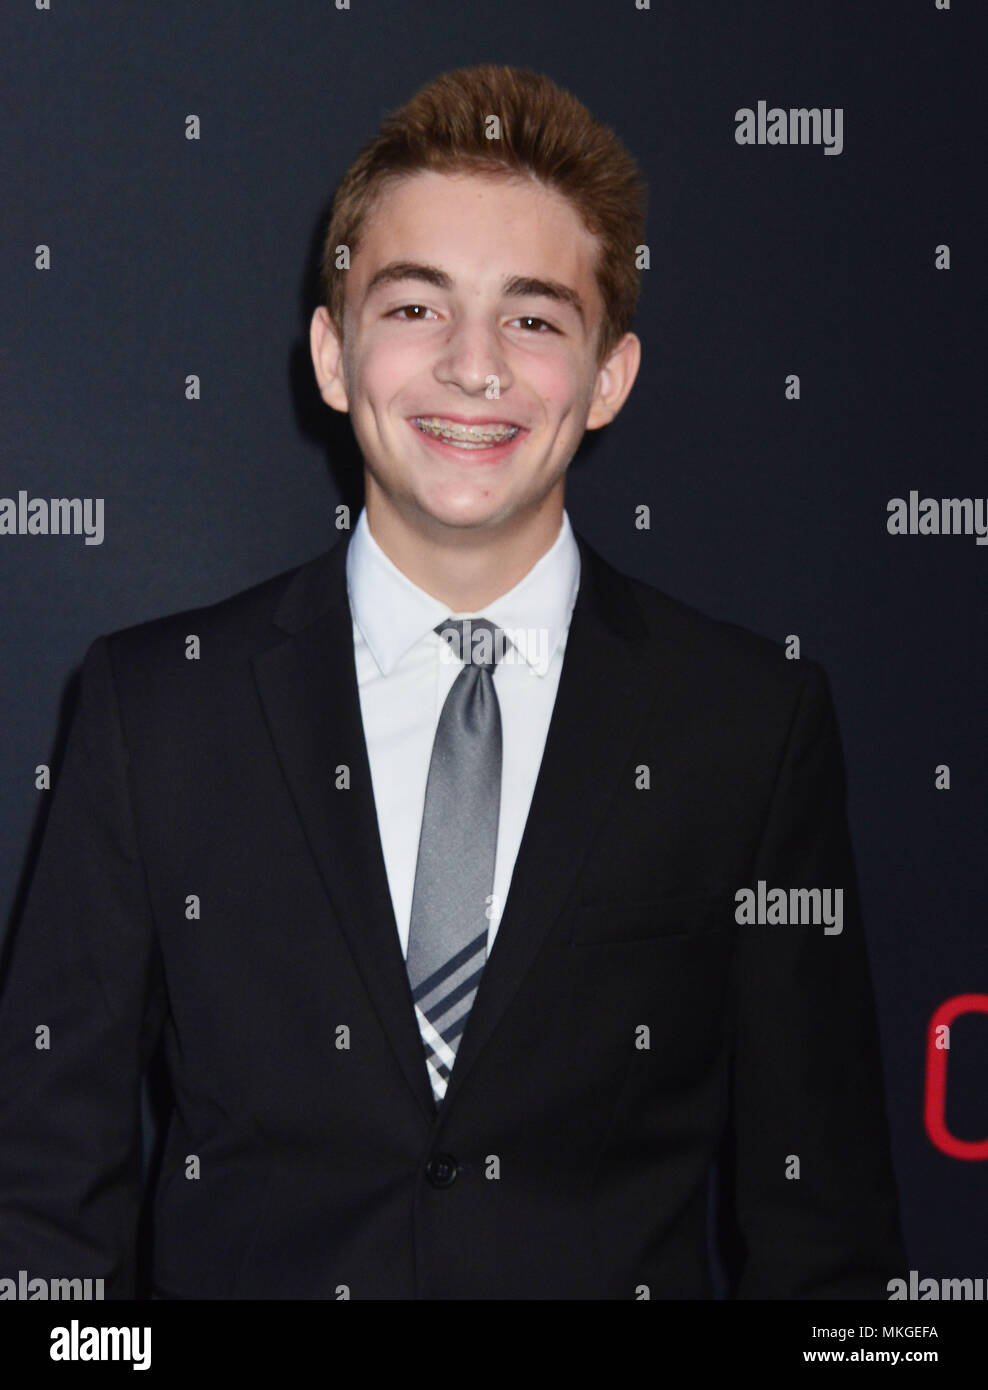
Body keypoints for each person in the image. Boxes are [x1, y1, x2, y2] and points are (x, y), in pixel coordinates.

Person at [0, 63, 905, 1299]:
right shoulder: (156, 706)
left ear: (608, 378)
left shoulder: (747, 724)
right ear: (333, 354)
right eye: (416, 307)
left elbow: (825, 1236)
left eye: (533, 318)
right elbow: (41, 1206)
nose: (473, 366)